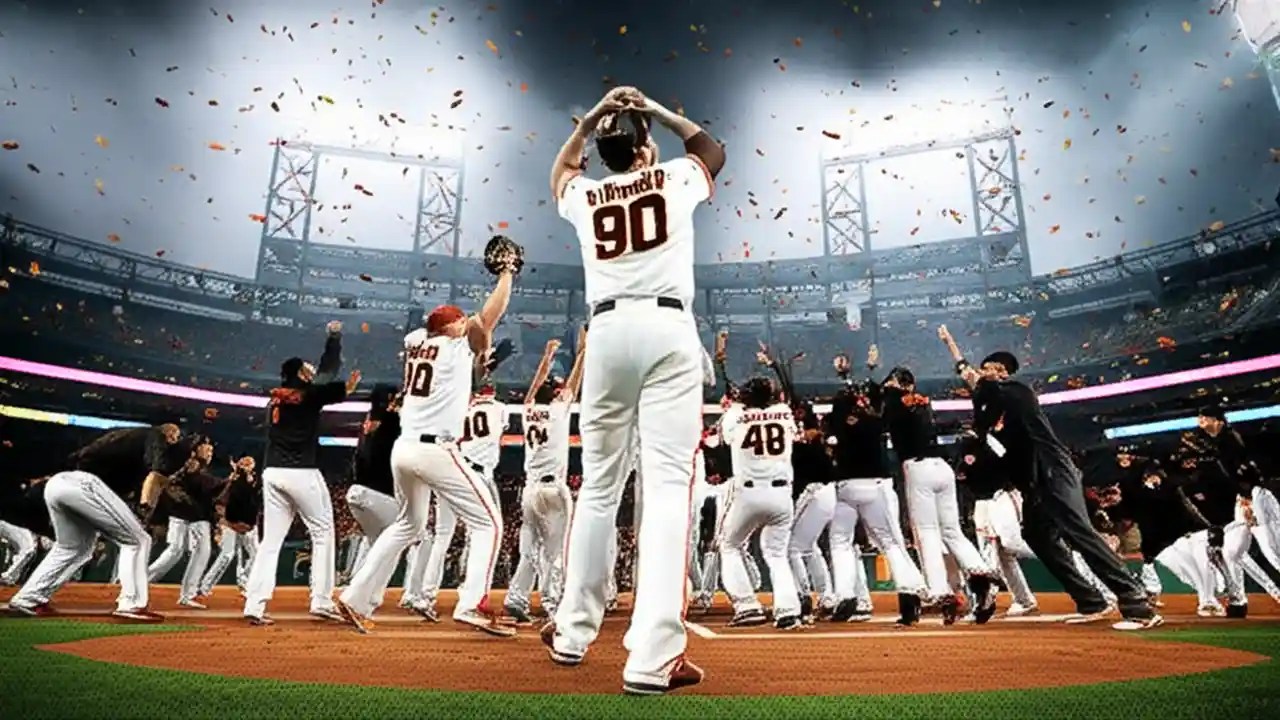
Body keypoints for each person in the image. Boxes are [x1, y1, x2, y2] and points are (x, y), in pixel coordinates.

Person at [542, 84, 725, 695]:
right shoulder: (672, 178)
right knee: (668, 487)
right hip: (668, 327)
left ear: (606, 153)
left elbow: (561, 172)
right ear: (645, 150)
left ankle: (571, 632)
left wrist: (589, 118)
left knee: (598, 487)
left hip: (609, 330)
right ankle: (651, 659)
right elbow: (711, 149)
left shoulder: (588, 192)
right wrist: (658, 111)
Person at [334, 250, 517, 637]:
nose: (465, 325)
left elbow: (469, 334)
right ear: (452, 328)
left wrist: (477, 345)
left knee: (407, 525)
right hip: (437, 449)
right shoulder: (453, 346)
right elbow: (487, 319)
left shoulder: (417, 340)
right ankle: (474, 605)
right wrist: (506, 273)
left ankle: (354, 597)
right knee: (490, 524)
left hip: (404, 450)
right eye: (459, 322)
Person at [937, 325, 1161, 630]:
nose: (980, 373)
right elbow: (968, 376)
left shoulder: (1017, 392)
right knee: (1037, 536)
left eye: (989, 369)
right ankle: (1091, 600)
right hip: (1032, 482)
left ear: (1002, 372)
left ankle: (1137, 604)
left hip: (1052, 469)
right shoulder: (987, 406)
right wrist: (952, 346)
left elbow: (986, 386)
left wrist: (982, 381)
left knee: (1078, 532)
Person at [4, 424, 192, 620]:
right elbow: (156, 473)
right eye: (174, 435)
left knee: (74, 547)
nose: (174, 439)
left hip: (58, 484)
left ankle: (28, 599)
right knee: (138, 540)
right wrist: (145, 507)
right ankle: (132, 604)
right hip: (86, 485)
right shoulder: (154, 435)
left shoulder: (122, 441)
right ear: (168, 433)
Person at [242, 322, 361, 626]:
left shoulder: (275, 399)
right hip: (301, 472)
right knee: (323, 533)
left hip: (272, 472)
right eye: (307, 370)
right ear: (302, 374)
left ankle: (254, 604)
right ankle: (321, 601)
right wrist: (334, 337)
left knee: (271, 541)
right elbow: (330, 370)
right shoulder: (307, 394)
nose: (311, 372)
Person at [880, 365, 997, 624]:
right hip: (942, 467)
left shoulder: (892, 401)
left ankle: (940, 592)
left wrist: (889, 387)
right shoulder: (922, 402)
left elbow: (886, 404)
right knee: (952, 531)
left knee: (926, 535)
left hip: (917, 468)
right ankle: (981, 574)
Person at [825, 351, 927, 625]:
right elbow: (881, 397)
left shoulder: (838, 415)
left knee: (840, 542)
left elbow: (844, 407)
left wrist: (847, 377)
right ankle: (909, 598)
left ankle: (845, 596)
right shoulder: (879, 417)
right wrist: (868, 370)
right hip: (877, 484)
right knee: (890, 543)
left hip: (844, 485)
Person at [506, 333, 587, 623]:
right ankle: (553, 604)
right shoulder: (556, 412)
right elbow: (575, 385)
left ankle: (516, 598)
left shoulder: (530, 410)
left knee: (529, 550)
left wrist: (547, 356)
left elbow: (534, 388)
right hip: (554, 490)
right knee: (555, 553)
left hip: (530, 490)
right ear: (553, 396)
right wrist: (582, 354)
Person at [715, 375, 804, 629]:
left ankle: (746, 605)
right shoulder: (784, 413)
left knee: (729, 545)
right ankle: (788, 610)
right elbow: (778, 409)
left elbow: (726, 436)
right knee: (777, 554)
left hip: (749, 494)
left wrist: (733, 404)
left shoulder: (734, 416)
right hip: (781, 495)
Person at [339, 384, 420, 617]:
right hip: (379, 496)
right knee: (412, 536)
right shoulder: (394, 421)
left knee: (378, 544)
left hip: (356, 493)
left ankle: (358, 589)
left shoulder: (369, 421)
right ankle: (367, 598)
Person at [147, 436, 220, 609]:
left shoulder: (196, 467)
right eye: (206, 449)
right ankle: (186, 594)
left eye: (211, 450)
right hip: (189, 515)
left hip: (186, 515)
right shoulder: (190, 465)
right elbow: (187, 485)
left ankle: (145, 580)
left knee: (178, 550)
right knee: (192, 551)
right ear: (195, 450)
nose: (210, 452)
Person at [198, 455, 261, 599]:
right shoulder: (232, 482)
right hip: (230, 524)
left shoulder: (257, 481)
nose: (247, 464)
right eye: (244, 462)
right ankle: (204, 587)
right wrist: (220, 525)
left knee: (256, 555)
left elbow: (256, 502)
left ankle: (245, 584)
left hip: (249, 525)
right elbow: (218, 503)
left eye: (250, 462)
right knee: (227, 554)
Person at [0, 520, 39, 586]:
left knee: (18, 549)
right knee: (29, 548)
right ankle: (7, 577)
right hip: (10, 521)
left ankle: (10, 577)